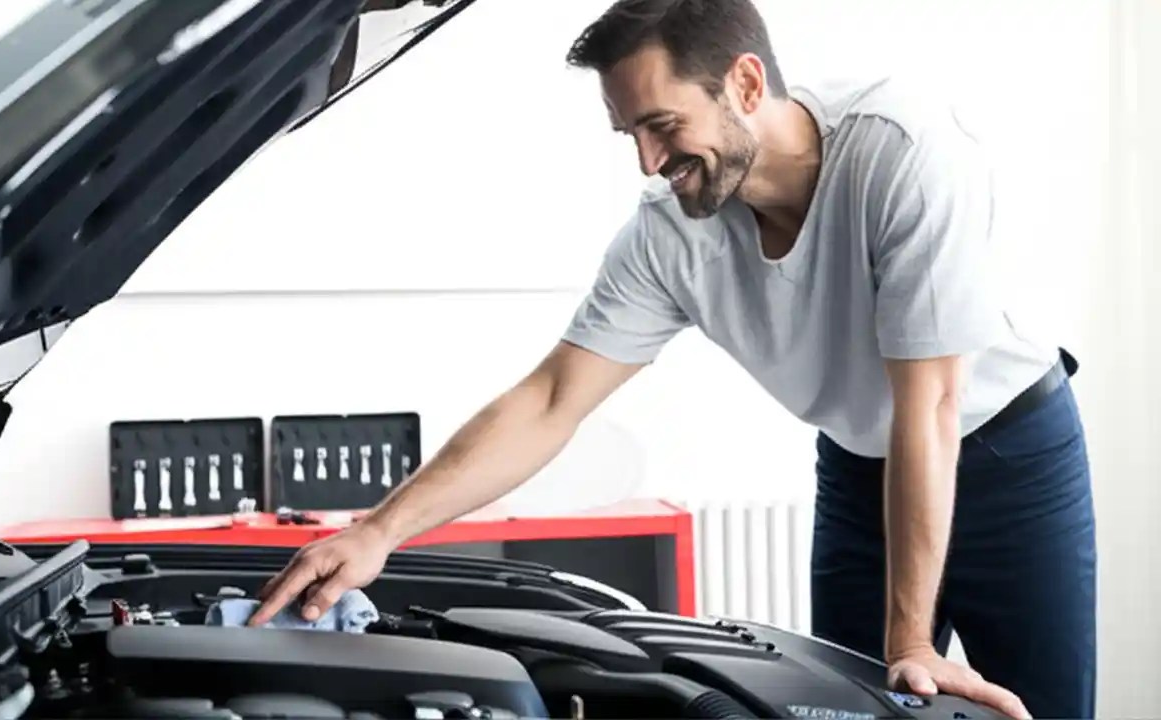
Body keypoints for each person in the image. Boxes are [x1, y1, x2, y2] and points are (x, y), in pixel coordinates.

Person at [251, 1, 1096, 718]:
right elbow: (552, 399)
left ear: (746, 84)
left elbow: (931, 406)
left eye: (662, 126)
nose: (650, 162)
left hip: (1008, 455)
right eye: (631, 134)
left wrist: (910, 638)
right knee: (840, 705)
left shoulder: (901, 153)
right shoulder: (670, 232)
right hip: (860, 461)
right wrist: (381, 532)